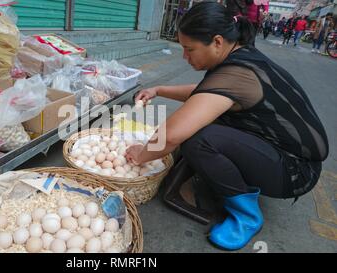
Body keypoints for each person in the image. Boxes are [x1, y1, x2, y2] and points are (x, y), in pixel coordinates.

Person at [126, 1, 328, 251]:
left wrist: (140, 154)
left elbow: (171, 136)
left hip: (295, 170)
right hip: (282, 151)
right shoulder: (240, 56)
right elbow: (206, 94)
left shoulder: (237, 73)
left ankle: (246, 217)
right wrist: (159, 89)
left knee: (197, 138)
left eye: (189, 49)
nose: (185, 56)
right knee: (202, 118)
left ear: (218, 42)